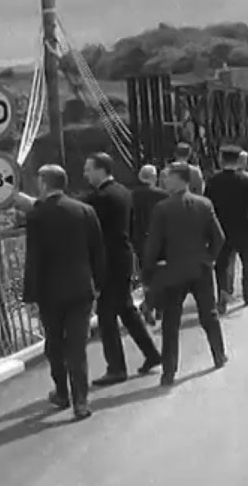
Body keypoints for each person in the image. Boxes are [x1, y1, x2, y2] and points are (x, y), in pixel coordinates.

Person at [22, 165, 105, 421]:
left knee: (55, 344)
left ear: (44, 184)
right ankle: (81, 401)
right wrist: (98, 284)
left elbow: (33, 258)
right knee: (77, 347)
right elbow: (97, 251)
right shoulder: (85, 211)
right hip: (81, 288)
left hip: (50, 292)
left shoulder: (37, 216)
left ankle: (61, 392)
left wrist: (30, 296)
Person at [143, 163, 229, 386]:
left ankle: (169, 372)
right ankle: (219, 355)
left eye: (168, 177)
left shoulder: (162, 208)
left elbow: (153, 245)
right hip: (201, 269)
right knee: (209, 315)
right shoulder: (204, 204)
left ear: (180, 179)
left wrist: (148, 273)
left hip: (173, 271)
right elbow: (219, 237)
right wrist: (209, 258)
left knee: (171, 323)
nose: (164, 181)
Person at [84, 153, 162, 386]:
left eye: (88, 169)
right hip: (124, 256)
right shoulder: (124, 192)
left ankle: (116, 368)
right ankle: (151, 354)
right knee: (126, 310)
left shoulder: (102, 198)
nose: (85, 174)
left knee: (106, 315)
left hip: (109, 261)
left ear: (101, 169)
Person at [205, 146, 248, 313]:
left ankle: (223, 297)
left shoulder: (213, 181)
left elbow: (208, 207)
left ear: (221, 160)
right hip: (245, 229)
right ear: (238, 160)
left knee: (222, 266)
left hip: (221, 229)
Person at [131, 164, 170, 327]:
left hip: (140, 240)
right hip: (160, 239)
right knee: (162, 273)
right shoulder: (163, 195)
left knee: (146, 275)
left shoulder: (132, 196)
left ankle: (148, 302)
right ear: (154, 177)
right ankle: (159, 307)